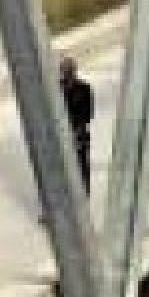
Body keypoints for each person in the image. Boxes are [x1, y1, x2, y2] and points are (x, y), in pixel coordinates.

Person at [60, 56, 94, 196]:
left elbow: (89, 114)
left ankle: (84, 194)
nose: (66, 74)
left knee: (81, 165)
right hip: (62, 134)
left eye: (69, 70)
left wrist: (76, 129)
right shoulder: (56, 90)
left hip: (78, 133)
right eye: (64, 71)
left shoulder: (84, 88)